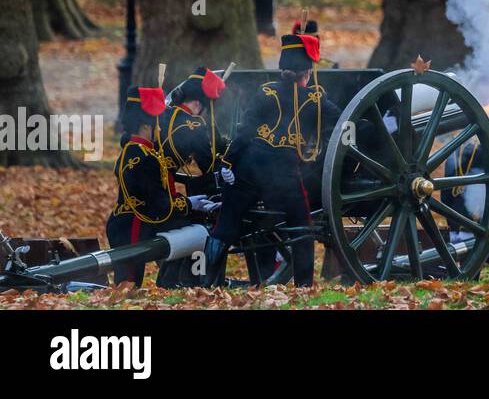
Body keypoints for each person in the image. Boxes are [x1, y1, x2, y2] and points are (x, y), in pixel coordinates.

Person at [204, 32, 342, 287]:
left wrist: (227, 163)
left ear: (282, 70)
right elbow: (343, 121)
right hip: (283, 175)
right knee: (302, 226)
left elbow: (244, 133)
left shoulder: (264, 92)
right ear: (307, 73)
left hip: (246, 169)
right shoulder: (314, 98)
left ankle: (208, 282)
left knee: (225, 226)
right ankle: (304, 286)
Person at [107, 85, 215, 286]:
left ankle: (172, 283)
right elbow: (159, 207)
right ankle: (171, 283)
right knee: (127, 289)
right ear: (146, 126)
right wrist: (189, 204)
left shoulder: (142, 151)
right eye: (157, 124)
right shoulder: (143, 157)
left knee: (189, 228)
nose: (160, 129)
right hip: (133, 226)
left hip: (138, 222)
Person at [155, 67, 229, 286]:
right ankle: (188, 278)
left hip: (159, 180)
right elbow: (206, 164)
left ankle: (177, 278)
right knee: (193, 224)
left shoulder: (165, 113)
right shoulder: (194, 124)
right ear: (198, 104)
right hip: (166, 188)